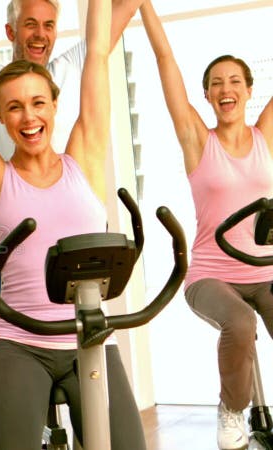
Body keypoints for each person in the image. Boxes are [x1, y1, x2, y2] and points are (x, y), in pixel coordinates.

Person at [0, 0, 145, 448]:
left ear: (55, 105)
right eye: (15, 107)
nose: (29, 117)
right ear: (0, 117)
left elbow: (98, 50)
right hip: (19, 341)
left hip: (91, 335)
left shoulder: (86, 156)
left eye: (39, 102)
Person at [0, 0, 143, 334]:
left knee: (82, 335)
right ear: (10, 31)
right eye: (30, 24)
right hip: (19, 231)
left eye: (49, 25)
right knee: (11, 336)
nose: (40, 34)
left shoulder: (74, 64)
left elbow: (114, 20)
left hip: (76, 225)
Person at [139, 2, 273, 449]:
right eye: (216, 84)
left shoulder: (265, 137)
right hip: (212, 276)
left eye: (234, 80)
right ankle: (232, 412)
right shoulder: (199, 141)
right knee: (239, 321)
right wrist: (143, 5)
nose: (225, 88)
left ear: (249, 90)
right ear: (208, 96)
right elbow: (165, 63)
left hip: (267, 273)